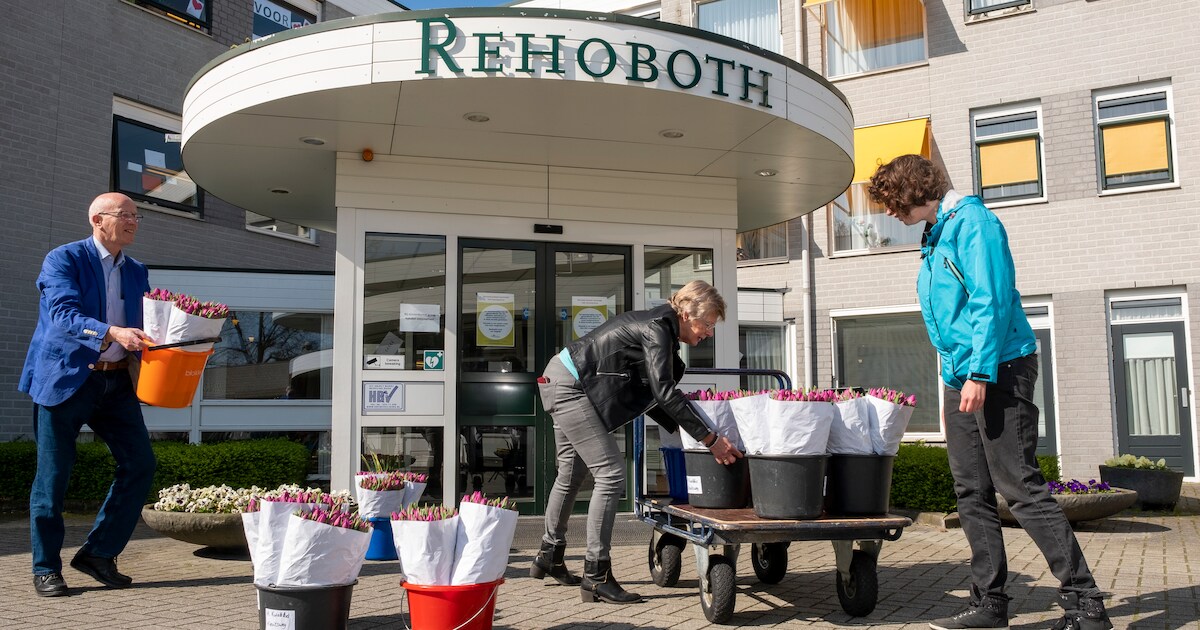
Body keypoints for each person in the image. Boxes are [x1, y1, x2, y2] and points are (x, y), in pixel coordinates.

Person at [867, 155, 1111, 630]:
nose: (889, 211)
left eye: (891, 200)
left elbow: (991, 299)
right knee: (970, 490)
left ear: (913, 189)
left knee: (1019, 486)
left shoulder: (973, 223)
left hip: (1000, 365)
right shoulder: (934, 237)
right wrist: (957, 378)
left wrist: (979, 374)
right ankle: (989, 604)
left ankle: (1086, 604)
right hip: (962, 374)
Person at [532, 280, 742, 604]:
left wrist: (689, 433)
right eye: (708, 324)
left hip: (562, 375)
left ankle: (550, 553)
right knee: (611, 473)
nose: (709, 333)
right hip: (572, 385)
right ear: (687, 313)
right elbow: (664, 392)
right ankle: (596, 575)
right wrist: (710, 439)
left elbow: (655, 397)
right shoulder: (658, 327)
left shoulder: (662, 331)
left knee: (571, 473)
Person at [20, 192, 156, 597]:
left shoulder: (136, 270)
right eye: (125, 215)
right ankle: (45, 567)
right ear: (98, 220)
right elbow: (63, 315)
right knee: (53, 477)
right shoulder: (63, 260)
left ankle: (98, 554)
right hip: (65, 379)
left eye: (137, 216)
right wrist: (110, 331)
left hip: (116, 383)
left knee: (141, 465)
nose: (133, 221)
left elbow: (148, 321)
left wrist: (192, 339)